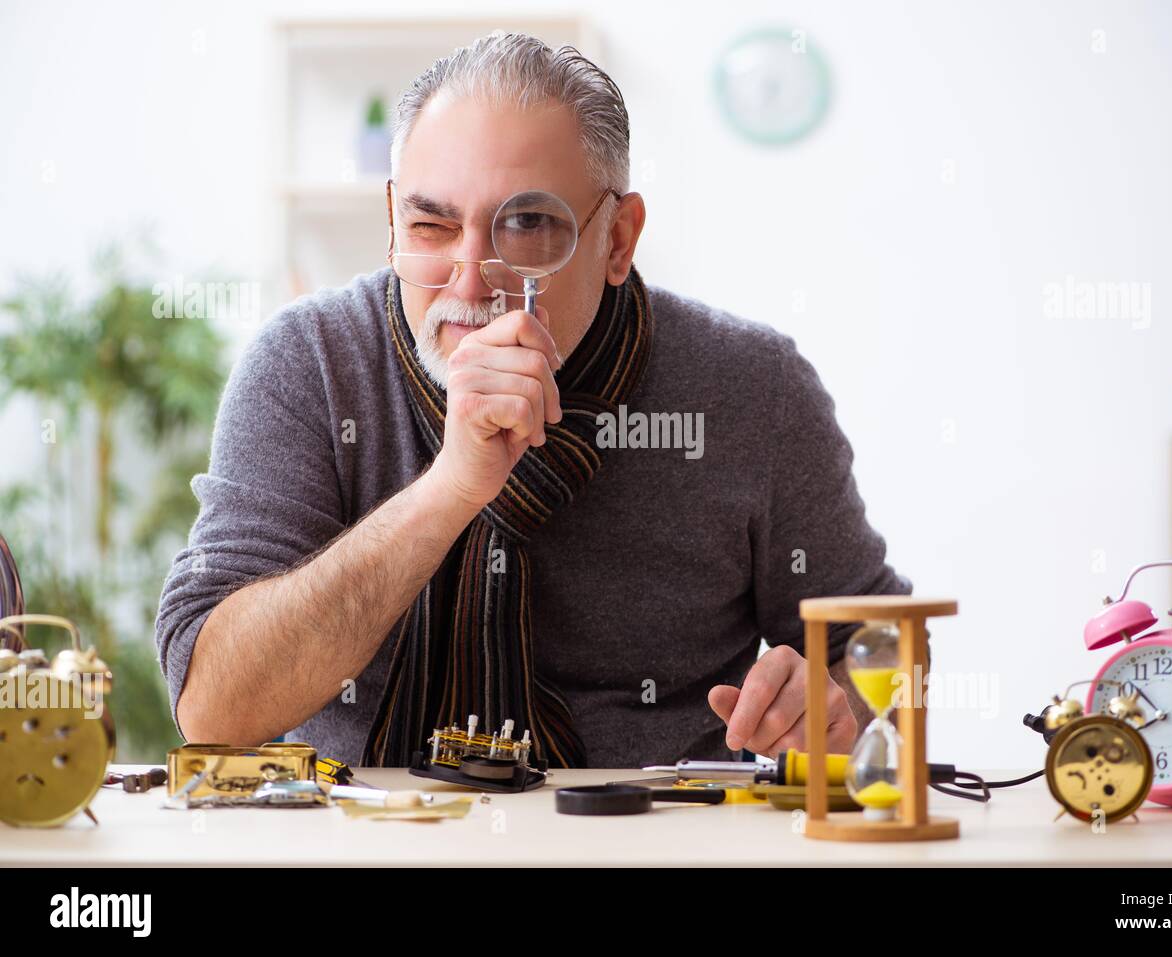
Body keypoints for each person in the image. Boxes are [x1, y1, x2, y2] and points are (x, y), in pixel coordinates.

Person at [155, 32, 910, 769]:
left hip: (652, 843)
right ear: (392, 224)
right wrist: (452, 488)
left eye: (527, 225)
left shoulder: (753, 387)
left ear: (618, 238)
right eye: (431, 224)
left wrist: (838, 709)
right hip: (361, 840)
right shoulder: (309, 363)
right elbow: (214, 707)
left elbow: (883, 647)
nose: (470, 281)